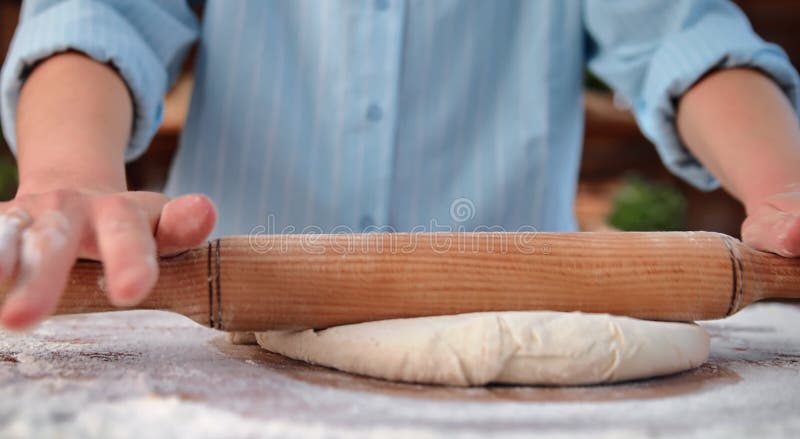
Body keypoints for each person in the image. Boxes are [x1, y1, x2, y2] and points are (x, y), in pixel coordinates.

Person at [0, 0, 798, 330]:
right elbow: (103, 11)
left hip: (519, 341)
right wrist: (73, 169)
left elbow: (677, 35)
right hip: (228, 318)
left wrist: (781, 186)